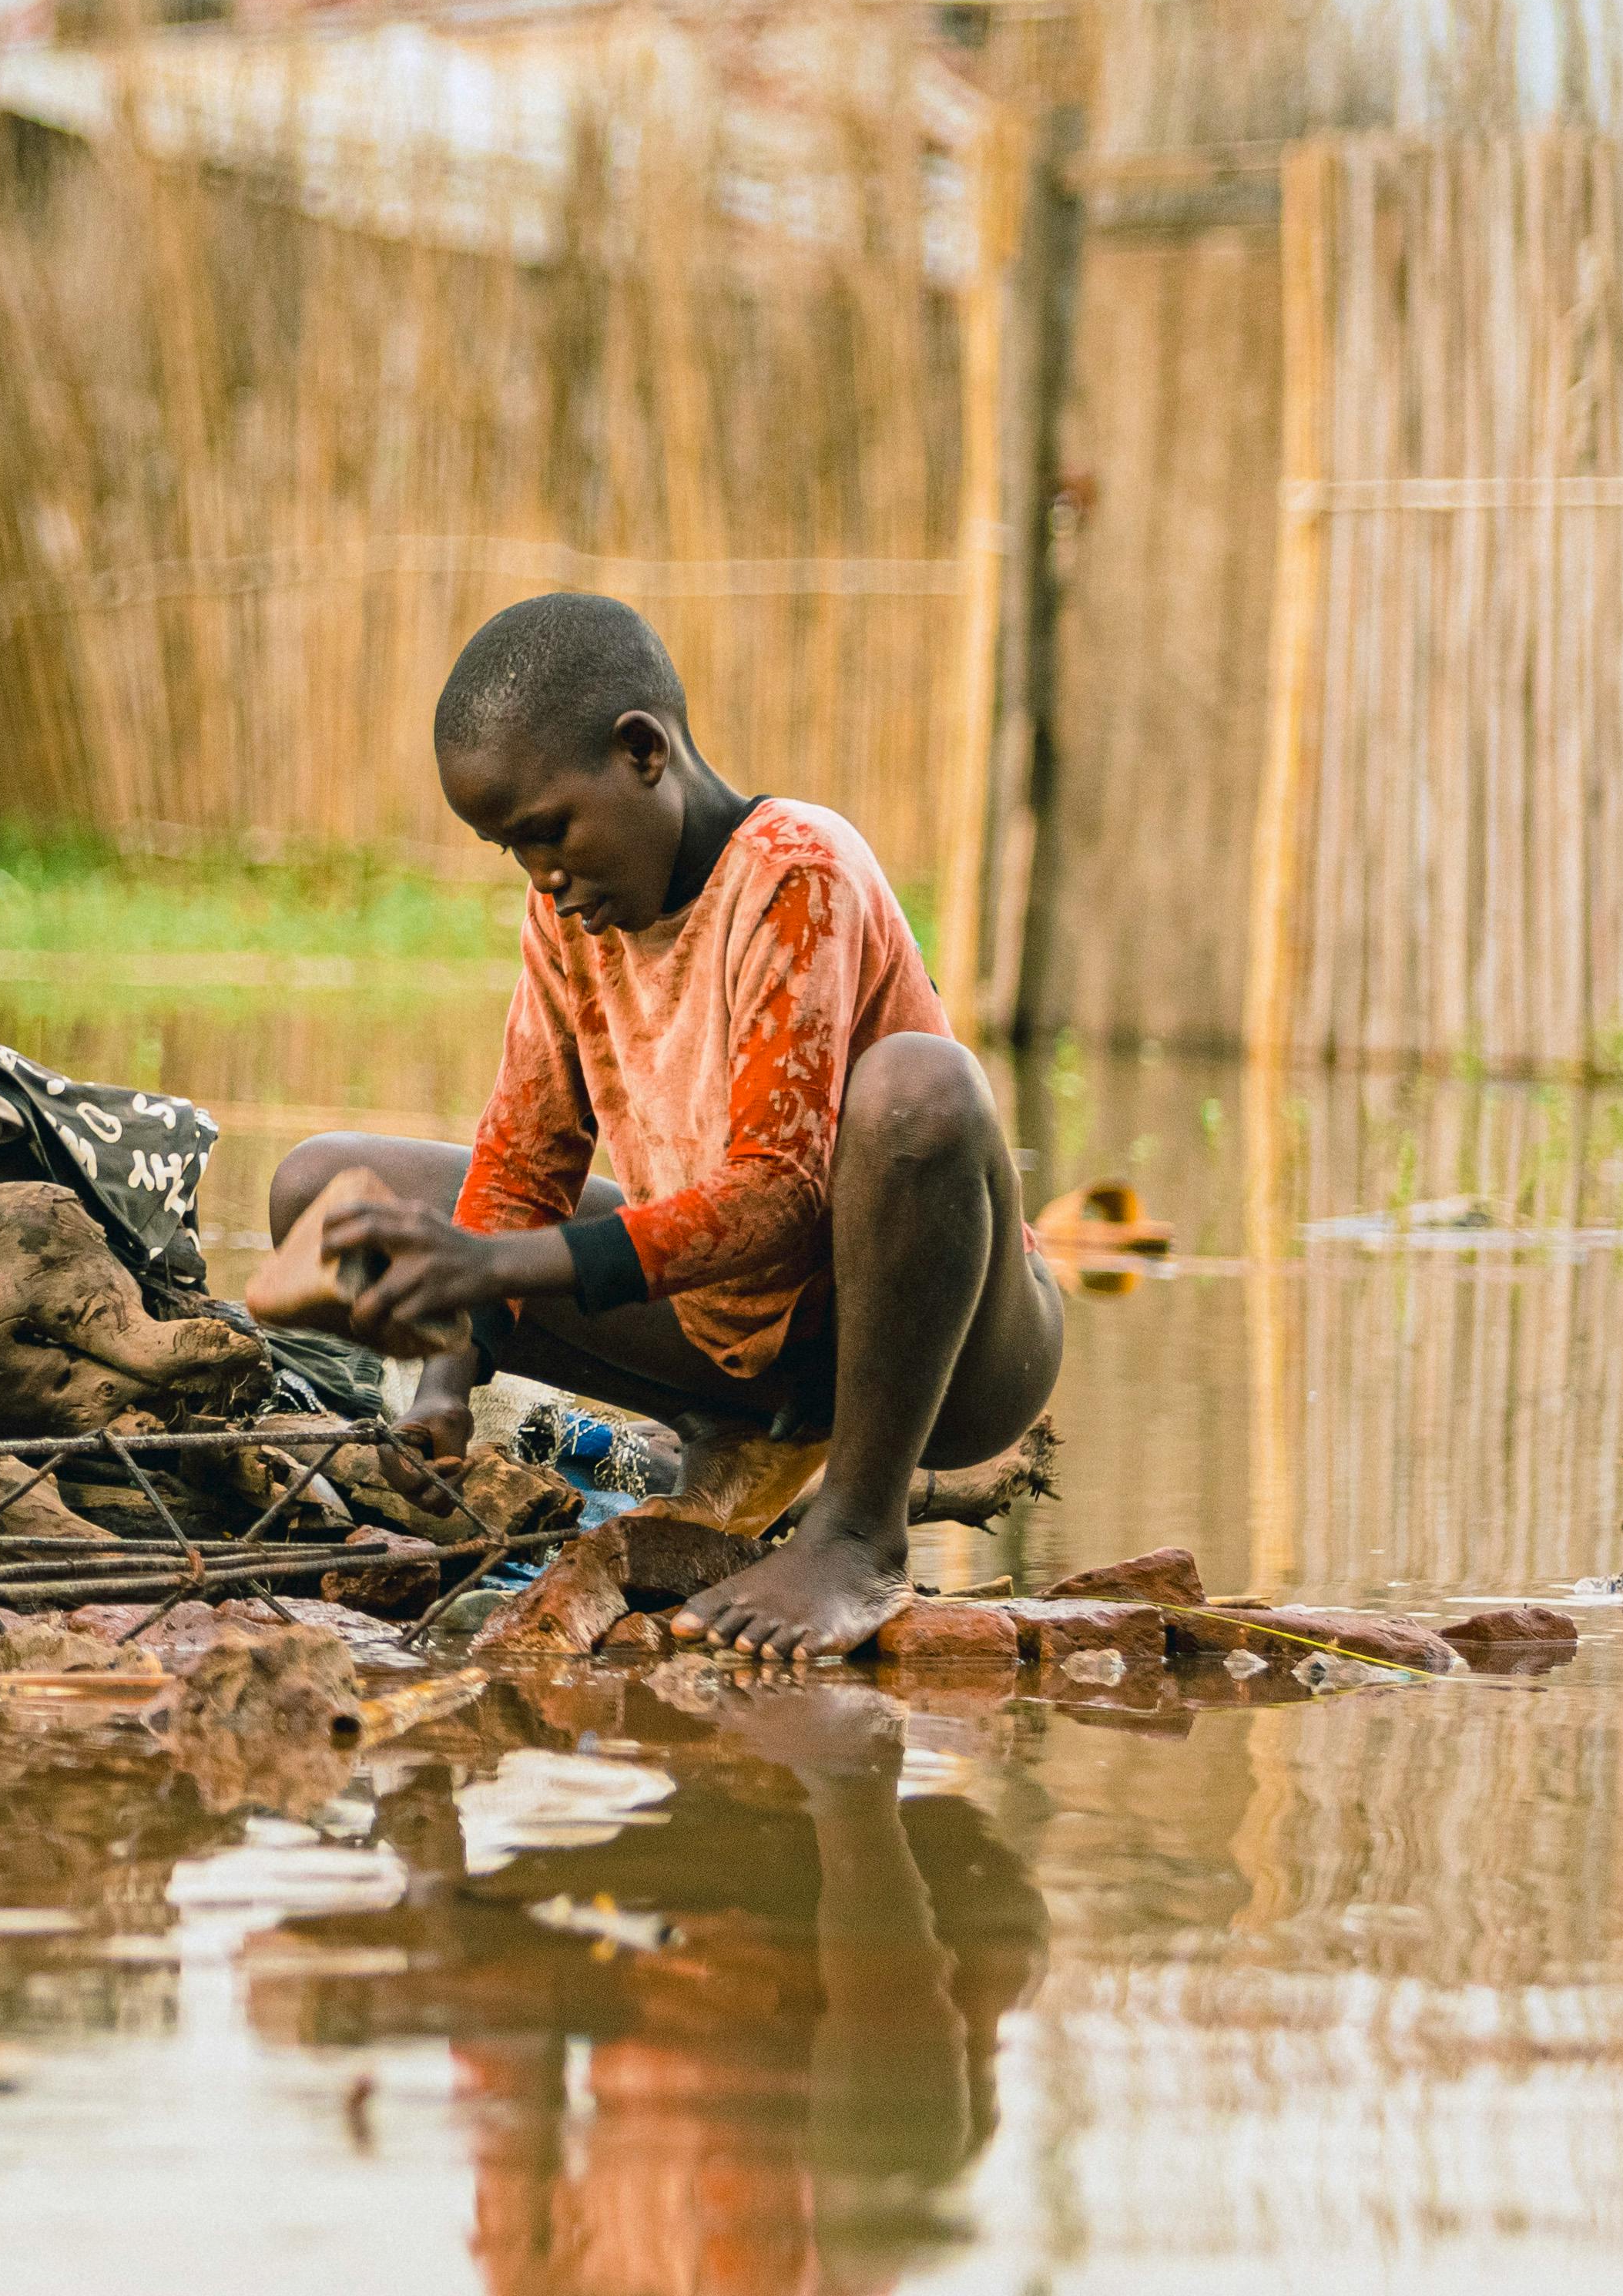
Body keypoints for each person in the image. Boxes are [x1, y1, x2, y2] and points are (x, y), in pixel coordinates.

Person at [246, 592, 1060, 1662]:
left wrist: (492, 1269)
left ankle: (858, 1531)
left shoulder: (796, 870)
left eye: (549, 832)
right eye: (511, 850)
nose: (543, 877)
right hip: (741, 1341)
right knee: (321, 1188)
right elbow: (523, 1164)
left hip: (948, 1353)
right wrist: (448, 1376)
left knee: (921, 1088)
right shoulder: (570, 917)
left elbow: (779, 1197)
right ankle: (731, 1429)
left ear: (643, 753)